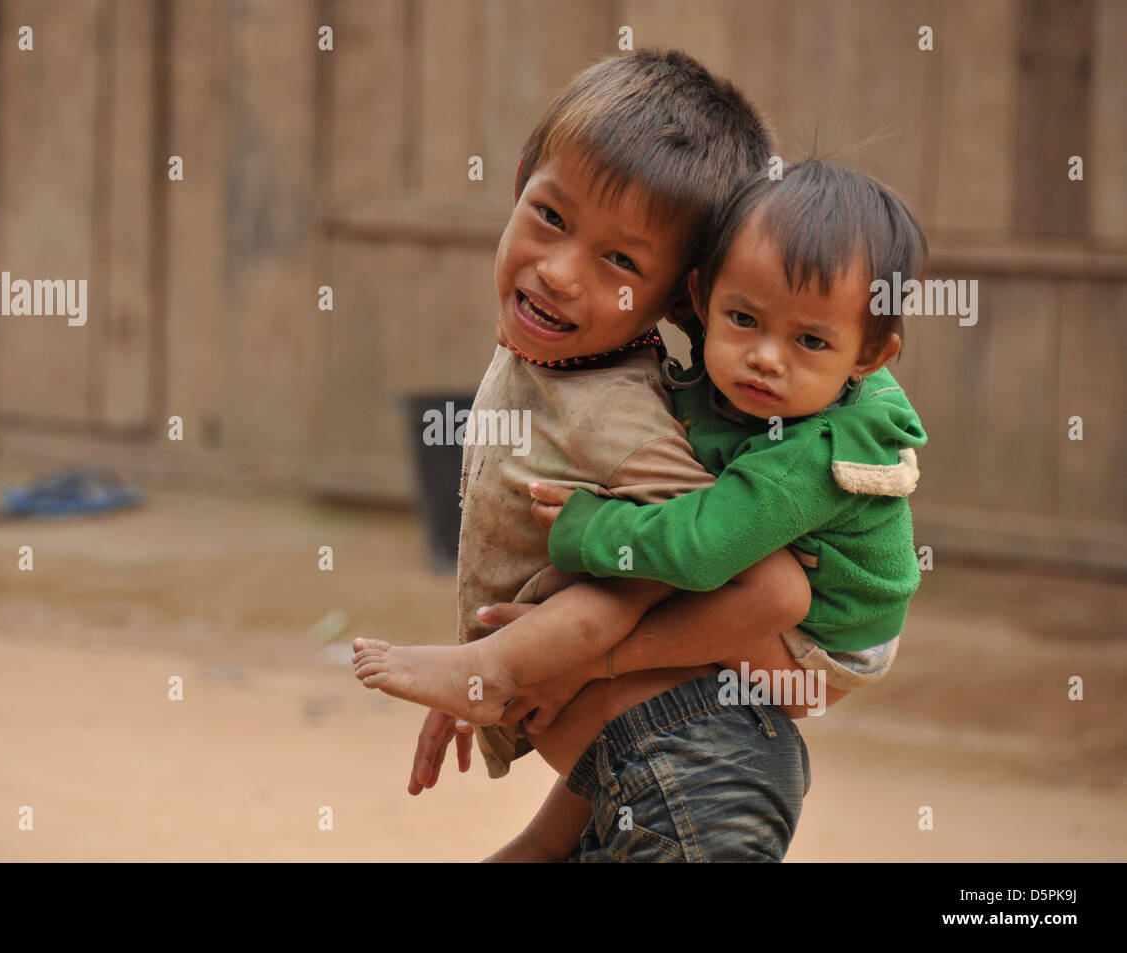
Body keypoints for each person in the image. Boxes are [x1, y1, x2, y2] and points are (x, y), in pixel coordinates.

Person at [354, 50, 834, 862]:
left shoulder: (612, 413)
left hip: (695, 777)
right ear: (518, 184)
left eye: (620, 262)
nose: (560, 272)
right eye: (550, 217)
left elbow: (772, 588)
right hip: (644, 775)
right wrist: (487, 668)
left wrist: (528, 664)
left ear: (680, 296)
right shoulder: (543, 361)